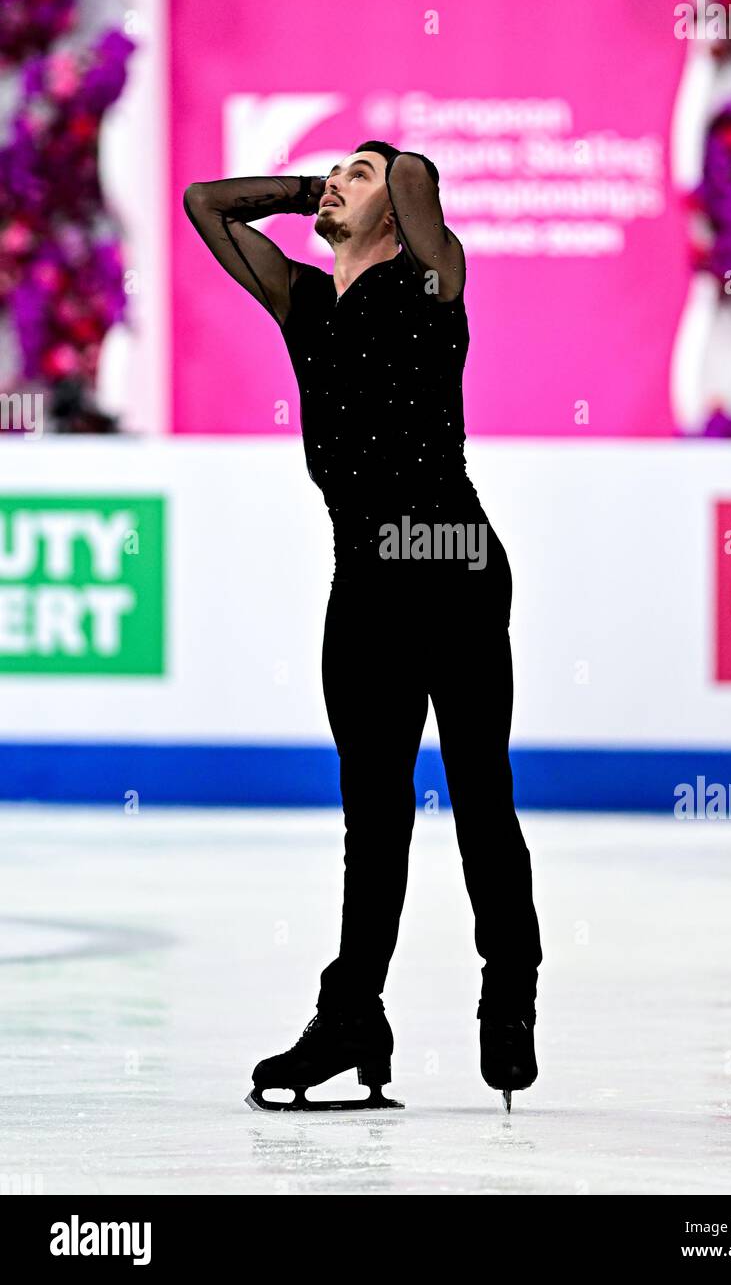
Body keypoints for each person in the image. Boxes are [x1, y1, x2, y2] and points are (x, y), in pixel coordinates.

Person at [183, 142, 543, 1107]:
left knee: (479, 794)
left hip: (453, 561)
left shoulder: (434, 282)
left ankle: (508, 991)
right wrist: (322, 195)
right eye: (333, 171)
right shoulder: (303, 300)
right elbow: (207, 204)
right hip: (366, 579)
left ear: (398, 211)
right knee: (372, 817)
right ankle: (352, 1018)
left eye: (359, 174)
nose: (338, 179)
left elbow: (419, 175)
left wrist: (386, 175)